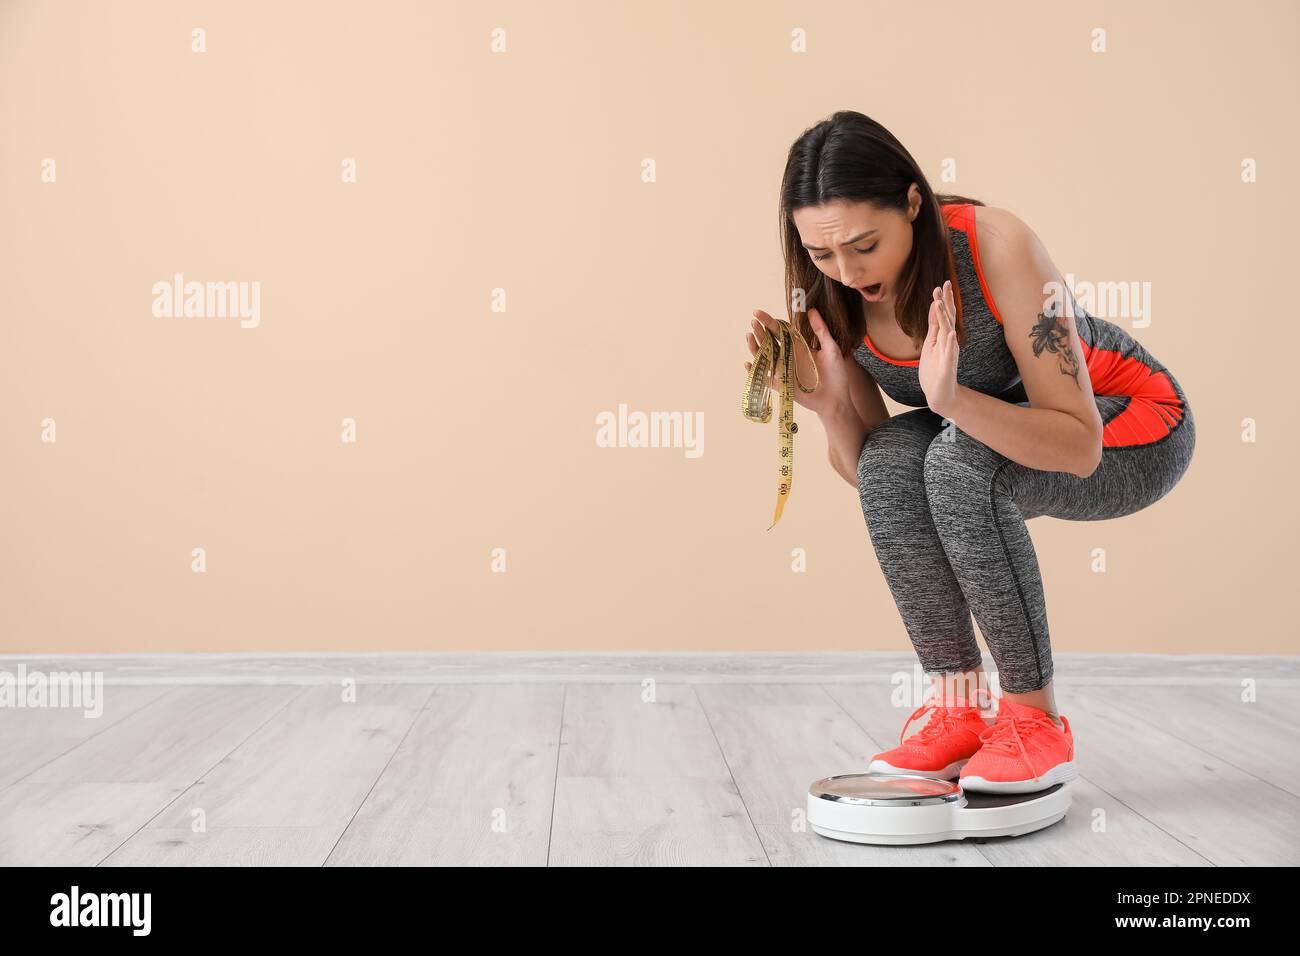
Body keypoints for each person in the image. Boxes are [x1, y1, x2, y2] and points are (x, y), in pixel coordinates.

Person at [744, 111, 1195, 794]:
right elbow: (876, 479)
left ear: (914, 204)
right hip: (992, 432)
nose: (847, 270)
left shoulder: (995, 246)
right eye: (823, 254)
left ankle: (1034, 718)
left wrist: (952, 402)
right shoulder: (833, 292)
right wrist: (831, 404)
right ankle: (958, 706)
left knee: (959, 459)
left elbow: (1078, 446)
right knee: (899, 458)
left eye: (866, 244)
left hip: (1131, 422)